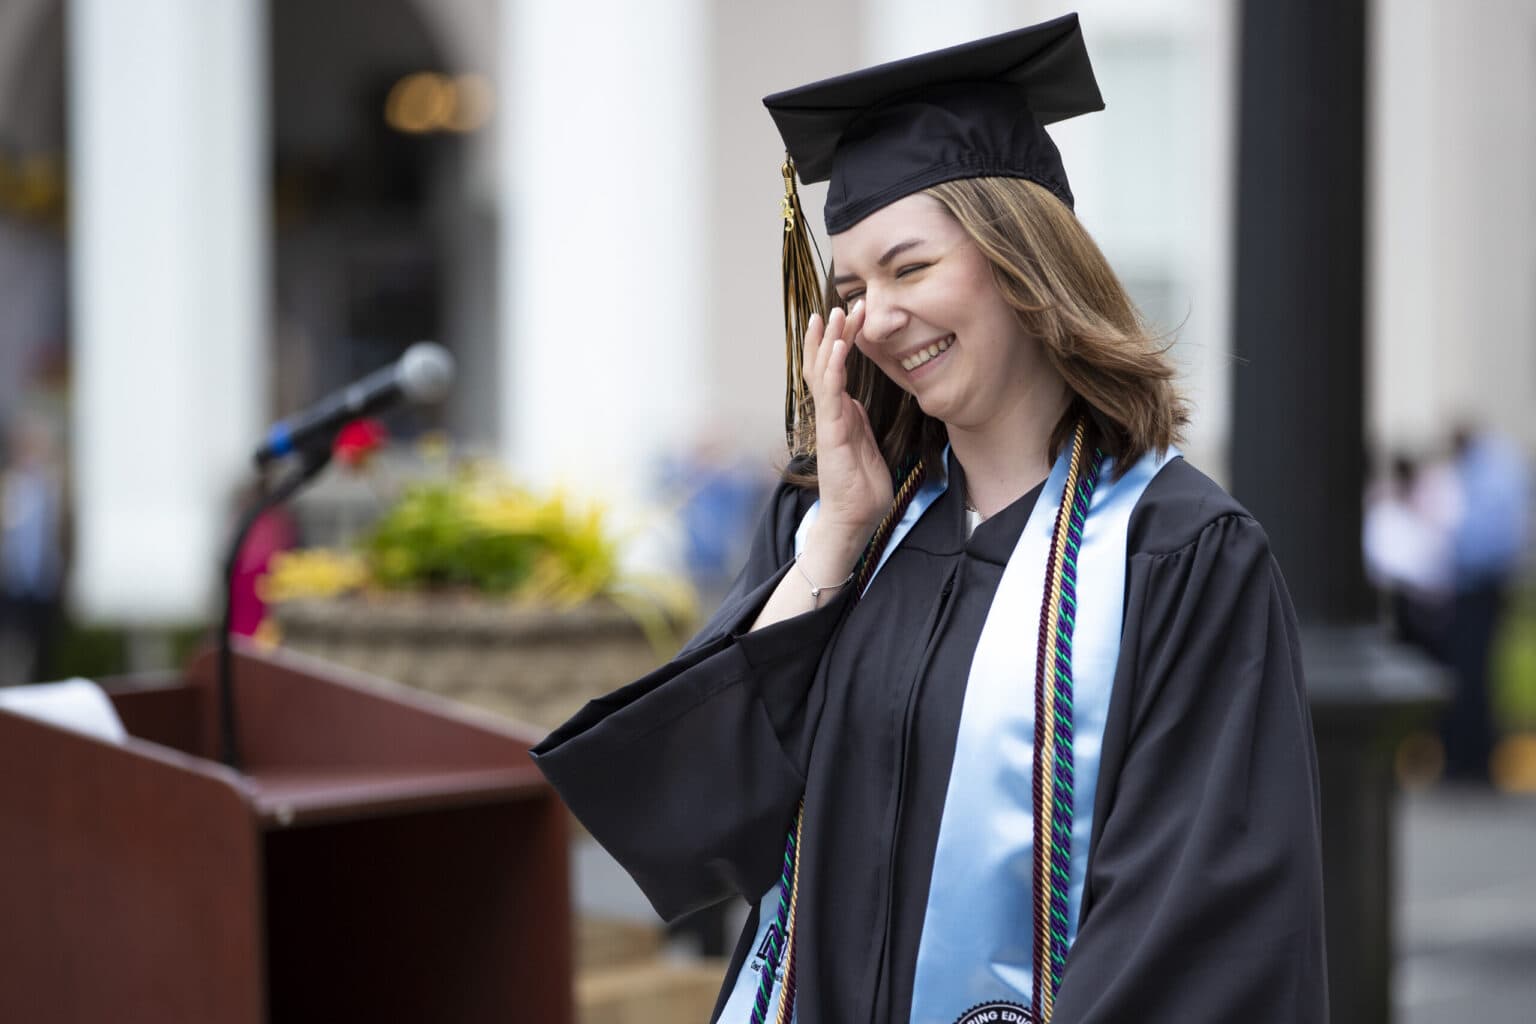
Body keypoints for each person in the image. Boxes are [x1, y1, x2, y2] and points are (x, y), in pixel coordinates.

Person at [532, 14, 1326, 1023]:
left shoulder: (1177, 556)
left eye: (911, 268)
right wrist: (831, 543)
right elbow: (700, 820)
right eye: (854, 287)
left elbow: (1201, 928)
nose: (876, 314)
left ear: (1022, 260)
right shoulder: (844, 536)